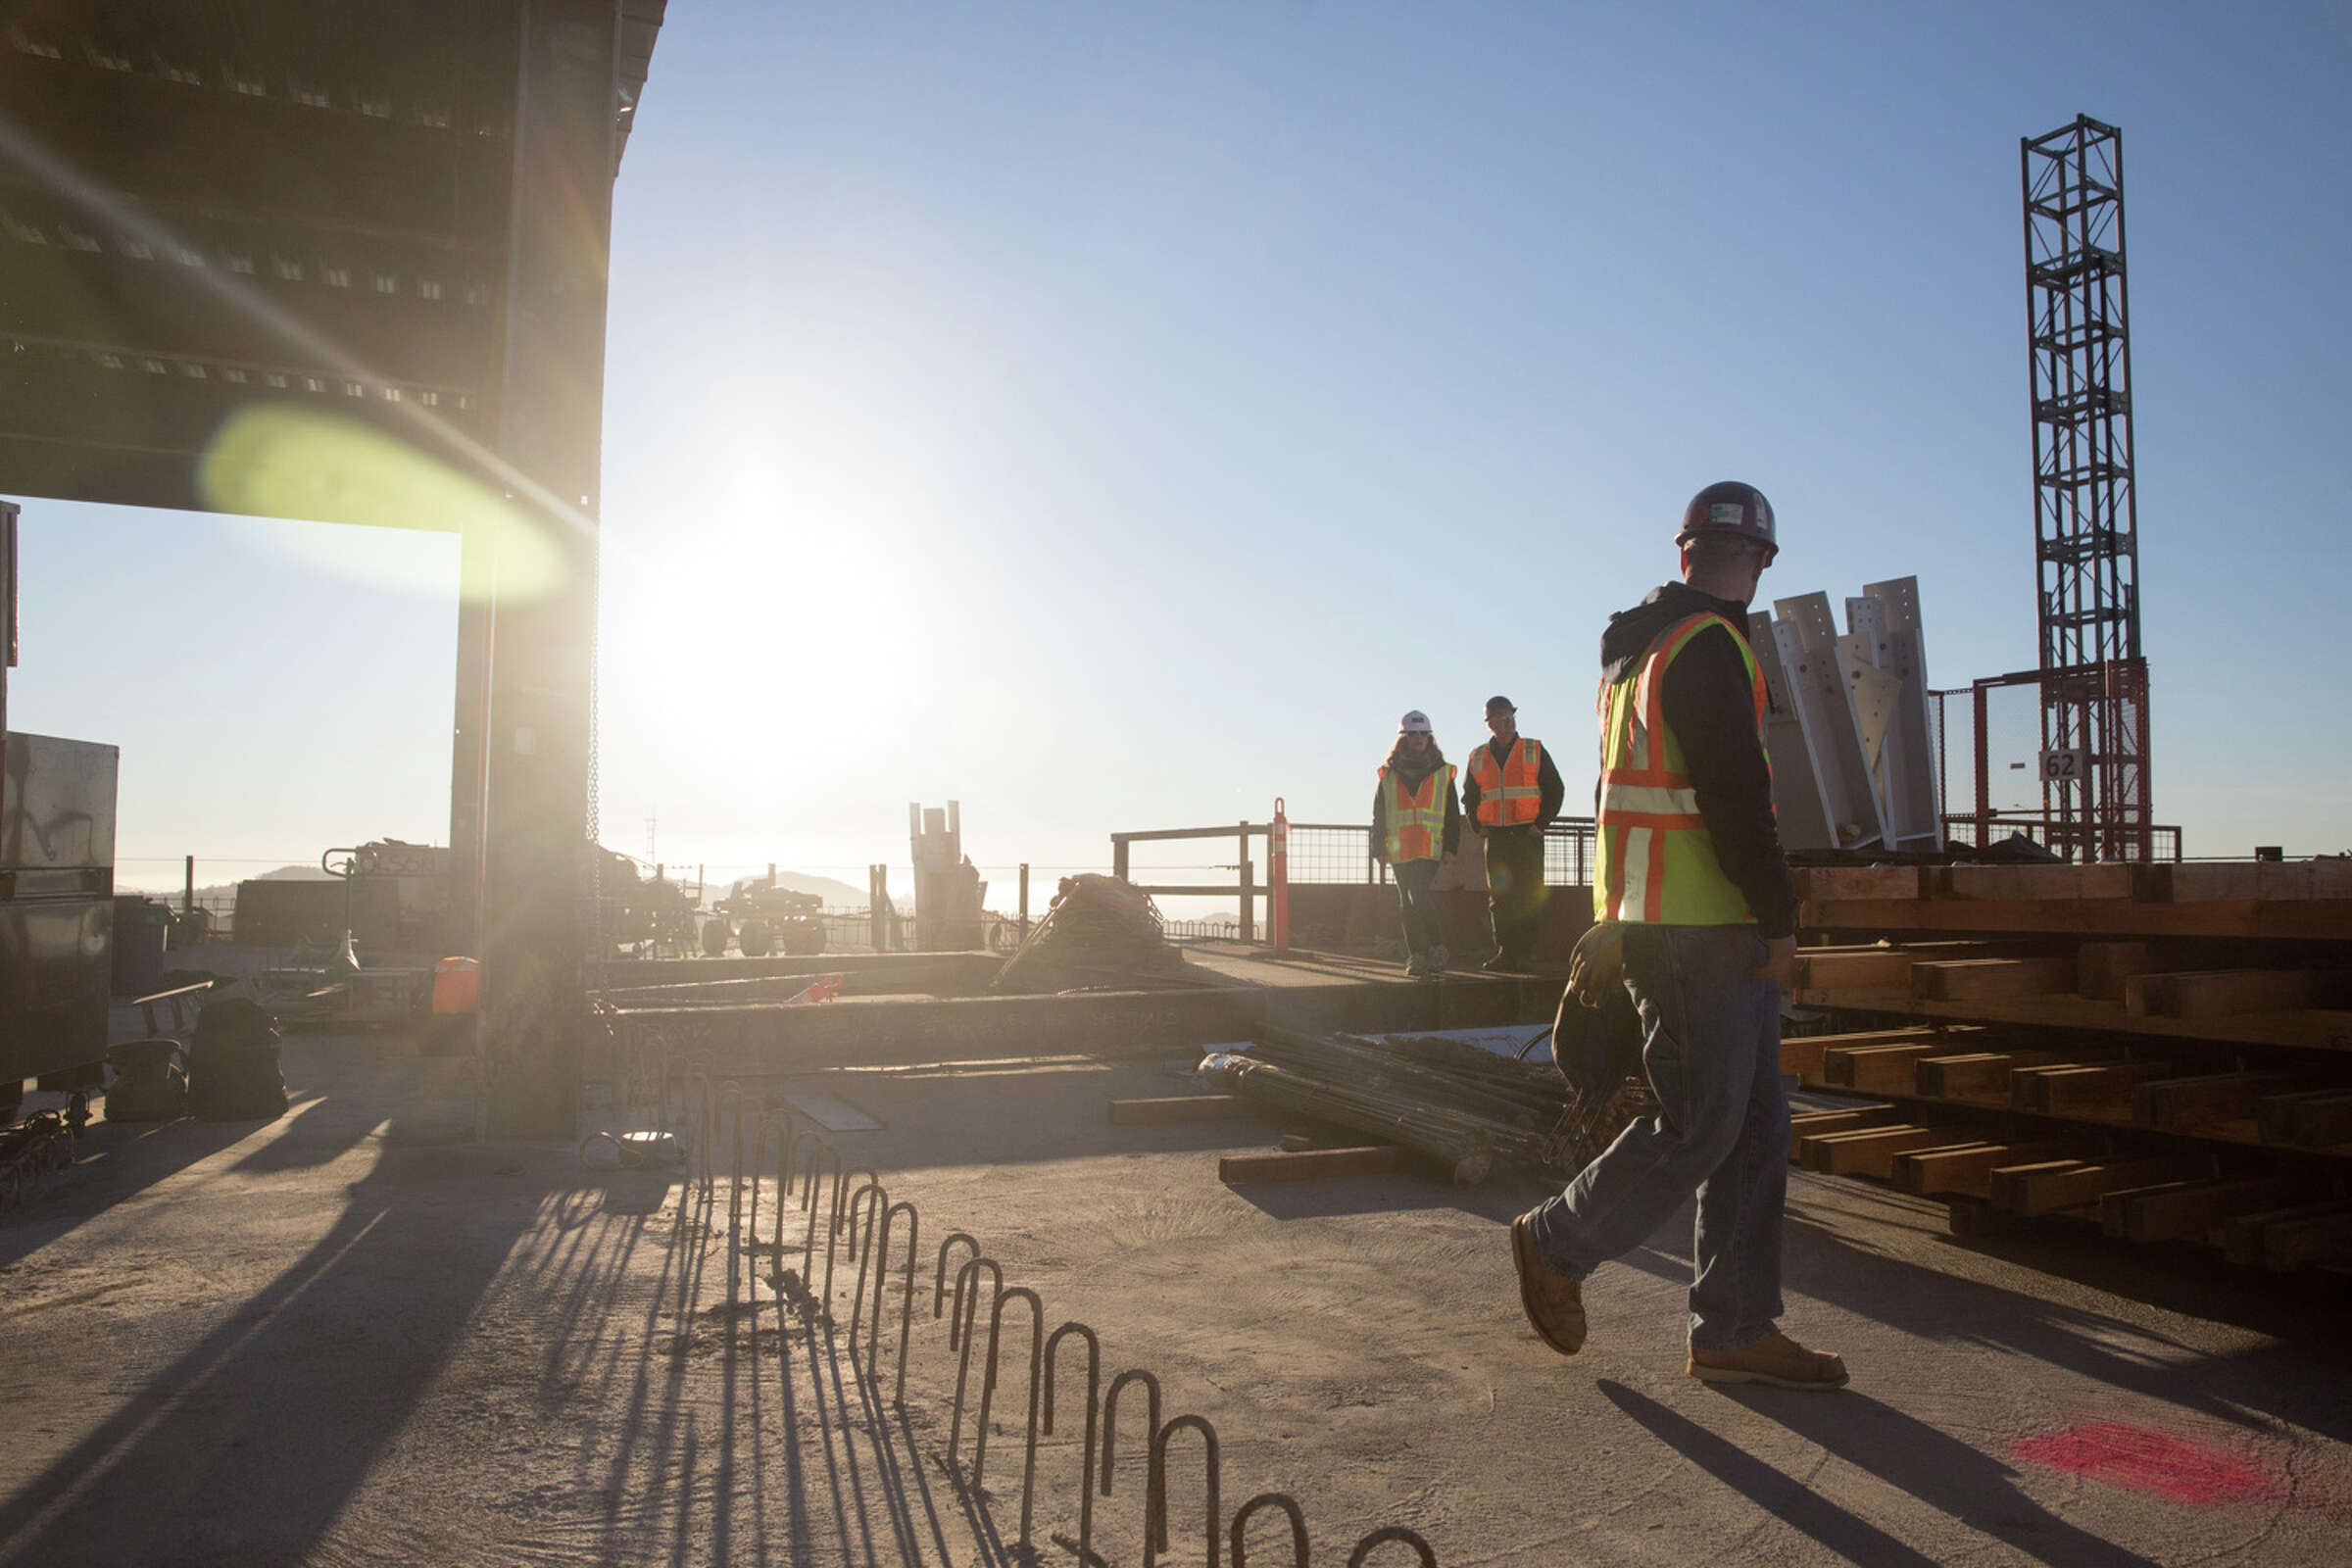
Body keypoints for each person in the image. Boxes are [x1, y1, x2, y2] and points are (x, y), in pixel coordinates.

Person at [1508, 481, 1847, 1392]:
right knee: (1697, 1127)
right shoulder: (1709, 648)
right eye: (1735, 556)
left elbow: (1633, 803)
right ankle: (1556, 1242)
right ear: (1714, 560)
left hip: (1668, 918)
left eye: (1741, 555)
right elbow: (1736, 802)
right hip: (1704, 930)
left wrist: (1622, 920)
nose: (1739, 568)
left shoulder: (1639, 653)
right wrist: (1779, 919)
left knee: (1753, 1131)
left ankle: (1735, 1328)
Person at [1461, 695, 1565, 972]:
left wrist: (1540, 824)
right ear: (1489, 723)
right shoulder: (1478, 756)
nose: (1506, 722)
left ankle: (1526, 953)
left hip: (1527, 835)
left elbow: (1556, 789)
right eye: (1499, 718)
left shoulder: (1534, 750)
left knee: (1528, 893)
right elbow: (1469, 795)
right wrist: (1476, 823)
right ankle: (1506, 952)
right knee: (1500, 897)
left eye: (1510, 716)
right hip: (1496, 836)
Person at [1370, 710, 1461, 977]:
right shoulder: (1388, 775)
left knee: (1417, 892)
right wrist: (1378, 848)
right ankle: (1416, 956)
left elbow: (1451, 813)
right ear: (1404, 737)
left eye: (1423, 733)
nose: (1419, 737)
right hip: (1399, 848)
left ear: (1430, 737)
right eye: (1413, 733)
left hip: (1429, 846)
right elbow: (1380, 814)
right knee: (1406, 902)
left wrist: (1451, 848)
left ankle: (1437, 946)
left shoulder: (1443, 773)